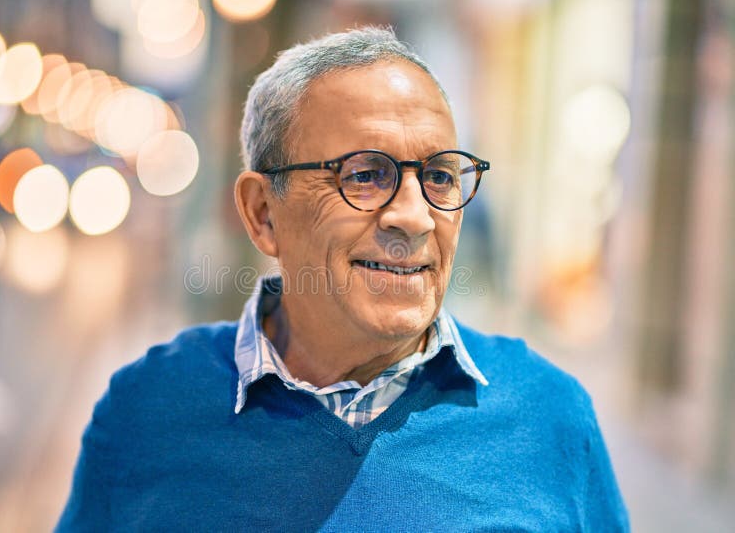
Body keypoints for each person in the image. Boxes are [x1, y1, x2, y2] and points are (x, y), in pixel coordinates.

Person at [56, 26, 629, 531]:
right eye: (365, 175)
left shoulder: (547, 415)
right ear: (263, 214)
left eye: (439, 175)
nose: (415, 215)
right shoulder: (148, 410)